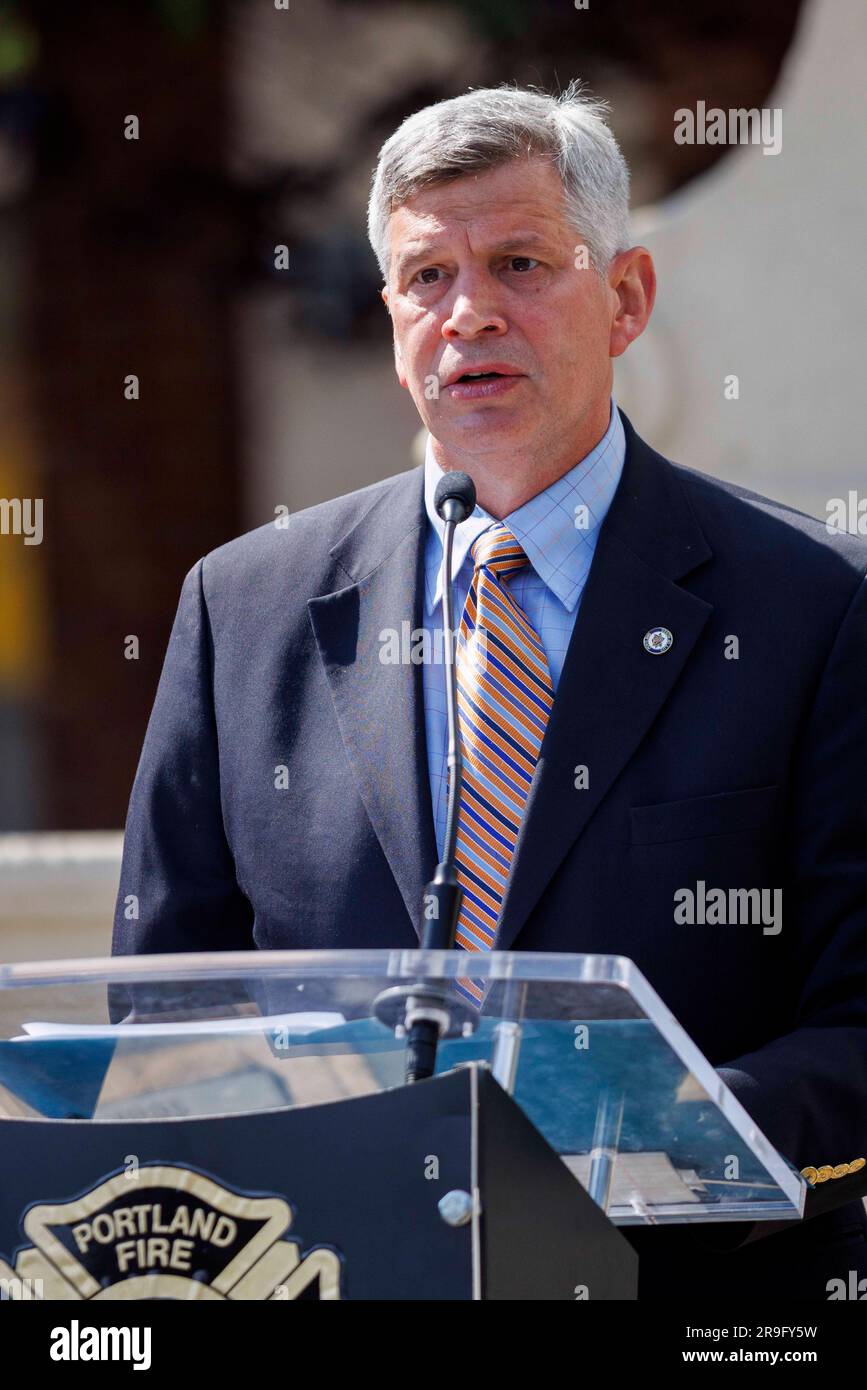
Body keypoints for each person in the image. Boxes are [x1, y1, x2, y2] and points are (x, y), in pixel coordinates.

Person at [113, 83, 867, 1299]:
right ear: (391, 315)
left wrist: (638, 1137)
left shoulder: (817, 610)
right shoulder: (240, 609)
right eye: (427, 279)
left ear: (626, 298)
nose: (470, 315)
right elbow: (159, 1020)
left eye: (520, 263)